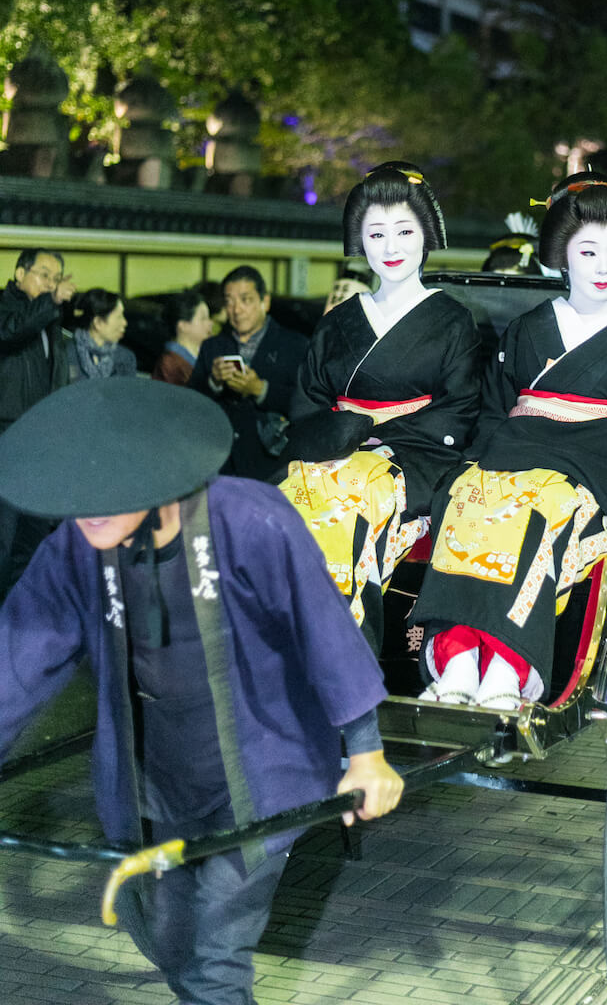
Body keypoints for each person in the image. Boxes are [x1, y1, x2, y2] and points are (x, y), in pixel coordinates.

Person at [0, 378, 402, 1005]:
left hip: (259, 774)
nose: (90, 511)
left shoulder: (251, 521)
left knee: (214, 949)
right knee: (164, 933)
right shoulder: (73, 552)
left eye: (106, 490)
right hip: (145, 783)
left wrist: (366, 752)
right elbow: (16, 663)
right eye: (77, 497)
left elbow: (323, 630)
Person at [411, 172, 607, 709]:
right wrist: (489, 460)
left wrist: (556, 454)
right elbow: (493, 411)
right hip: (512, 456)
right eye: (588, 251)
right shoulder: (529, 329)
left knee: (539, 507)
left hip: (589, 474)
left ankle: (508, 668)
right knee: (465, 495)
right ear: (562, 255)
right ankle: (458, 656)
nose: (603, 266)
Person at [282, 162, 481, 650]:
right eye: (376, 233)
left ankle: (341, 653)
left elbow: (459, 408)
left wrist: (378, 441)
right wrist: (336, 437)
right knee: (276, 503)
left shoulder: (453, 321)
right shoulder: (339, 322)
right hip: (333, 449)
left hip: (413, 457)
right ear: (359, 240)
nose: (391, 247)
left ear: (426, 234)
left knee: (354, 501)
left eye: (404, 231)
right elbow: (308, 401)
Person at [0, 247, 75, 595]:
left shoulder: (49, 319)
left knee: (32, 537)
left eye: (56, 278)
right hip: (7, 435)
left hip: (42, 438)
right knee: (3, 535)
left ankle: (16, 616)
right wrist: (51, 304)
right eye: (44, 275)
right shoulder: (7, 308)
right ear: (19, 274)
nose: (51, 284)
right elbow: (11, 332)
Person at [189, 265, 308, 481]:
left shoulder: (295, 346)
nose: (237, 309)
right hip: (220, 465)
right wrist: (213, 382)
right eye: (229, 301)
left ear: (265, 302)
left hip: (273, 468)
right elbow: (192, 405)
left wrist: (261, 390)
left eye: (246, 300)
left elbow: (308, 405)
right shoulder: (212, 347)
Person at [66, 288, 137, 380]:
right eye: (119, 317)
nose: (124, 322)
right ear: (98, 323)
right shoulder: (66, 354)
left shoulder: (126, 358)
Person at [151, 289, 215, 385]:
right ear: (183, 325)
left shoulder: (204, 355)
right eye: (203, 318)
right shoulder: (170, 364)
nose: (210, 323)